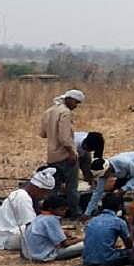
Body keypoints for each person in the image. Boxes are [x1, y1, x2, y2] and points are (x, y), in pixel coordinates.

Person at [39, 89, 84, 218]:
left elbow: (43, 133)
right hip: (65, 155)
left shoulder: (49, 111)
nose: (76, 106)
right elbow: (64, 138)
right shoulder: (65, 112)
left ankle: (51, 212)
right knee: (72, 187)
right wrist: (71, 152)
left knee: (54, 186)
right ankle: (74, 213)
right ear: (69, 99)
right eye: (76, 102)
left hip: (52, 155)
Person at [0, 168, 56, 251]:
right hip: (7, 239)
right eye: (44, 193)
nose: (44, 197)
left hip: (10, 235)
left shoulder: (23, 195)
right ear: (37, 188)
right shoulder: (23, 198)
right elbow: (32, 227)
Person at [85, 151, 134, 216]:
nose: (104, 178)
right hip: (127, 172)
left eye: (104, 175)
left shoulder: (123, 163)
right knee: (114, 193)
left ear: (108, 169)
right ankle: (120, 210)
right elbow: (98, 192)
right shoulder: (103, 174)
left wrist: (123, 189)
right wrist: (87, 213)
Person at [22, 196, 84, 262]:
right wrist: (81, 239)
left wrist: (63, 234)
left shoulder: (39, 217)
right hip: (43, 254)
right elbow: (65, 244)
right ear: (51, 209)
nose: (64, 212)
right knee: (85, 244)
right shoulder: (52, 219)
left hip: (29, 254)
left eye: (65, 210)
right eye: (61, 210)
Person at [82, 194, 133, 266]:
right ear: (120, 207)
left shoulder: (93, 220)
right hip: (105, 260)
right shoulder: (118, 221)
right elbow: (129, 245)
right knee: (133, 252)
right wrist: (130, 225)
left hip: (87, 260)